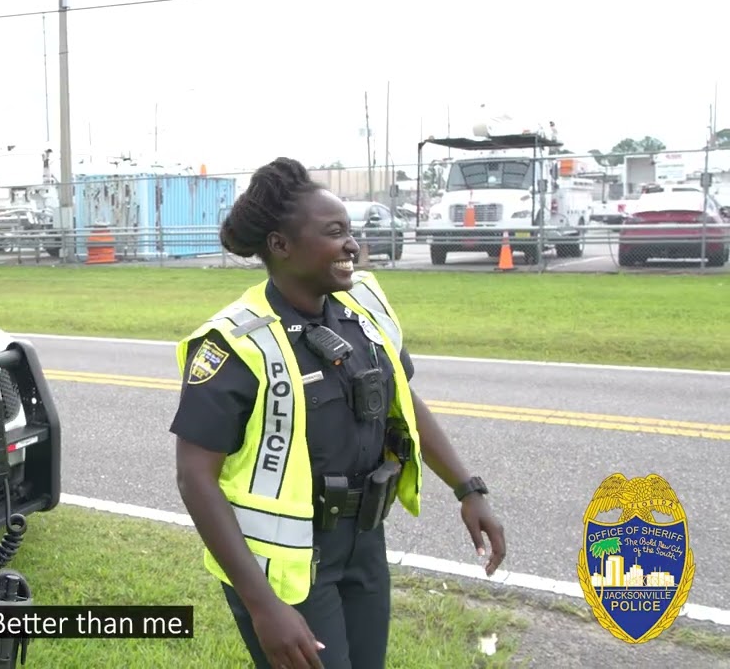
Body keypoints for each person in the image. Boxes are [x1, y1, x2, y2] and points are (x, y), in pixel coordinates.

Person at [169, 158, 506, 669]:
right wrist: (264, 605)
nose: (352, 245)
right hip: (284, 570)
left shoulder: (364, 305)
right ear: (281, 245)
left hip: (365, 542)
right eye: (335, 232)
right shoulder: (235, 343)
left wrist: (468, 488)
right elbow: (195, 477)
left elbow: (404, 400)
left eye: (350, 231)